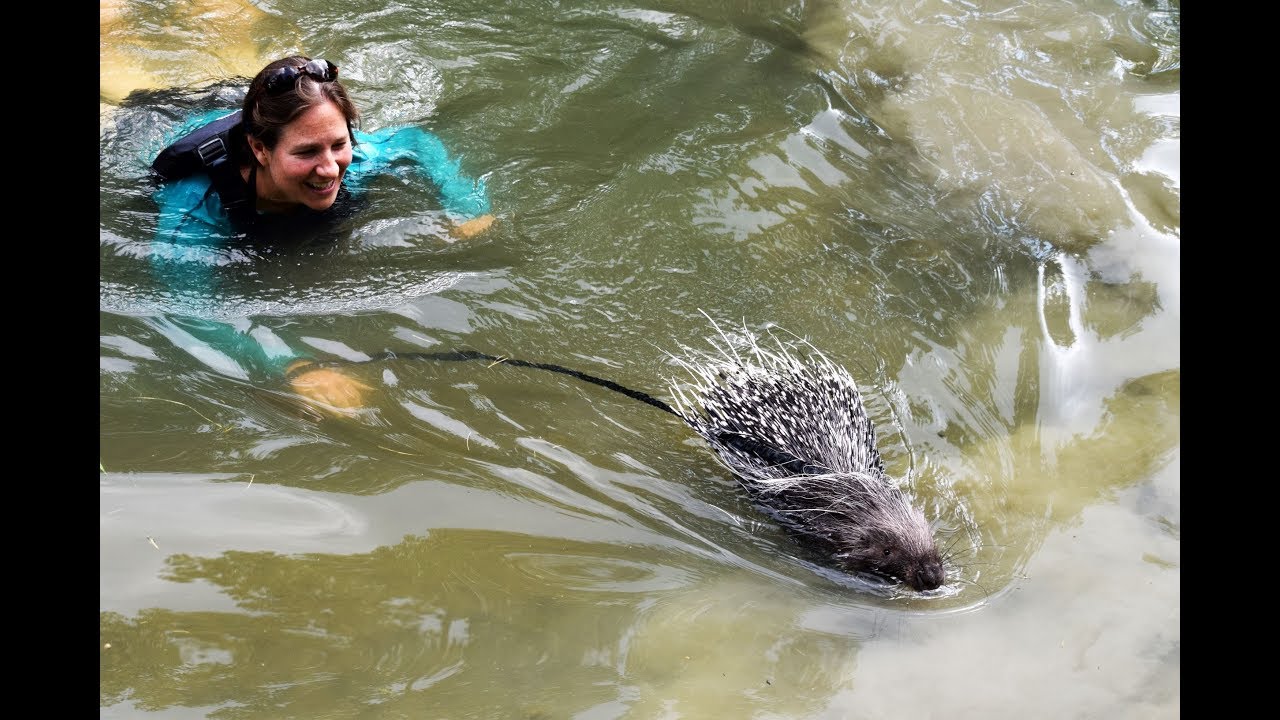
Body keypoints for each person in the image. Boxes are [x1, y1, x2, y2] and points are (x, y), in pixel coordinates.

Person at [147, 55, 496, 415]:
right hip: (159, 115)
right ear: (260, 150)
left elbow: (415, 141)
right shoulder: (196, 207)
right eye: (307, 151)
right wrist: (294, 366)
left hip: (253, 107)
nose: (330, 169)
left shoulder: (355, 160)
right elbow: (190, 308)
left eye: (338, 145)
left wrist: (466, 206)